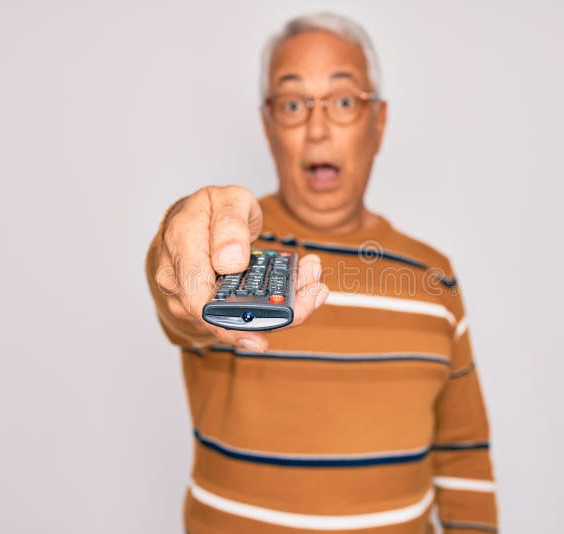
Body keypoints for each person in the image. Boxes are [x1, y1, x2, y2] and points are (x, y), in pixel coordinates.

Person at [146, 12, 499, 534]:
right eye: (292, 104)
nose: (317, 128)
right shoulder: (231, 254)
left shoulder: (435, 278)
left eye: (342, 101)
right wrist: (179, 236)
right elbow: (179, 300)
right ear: (268, 128)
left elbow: (463, 457)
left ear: (377, 123)